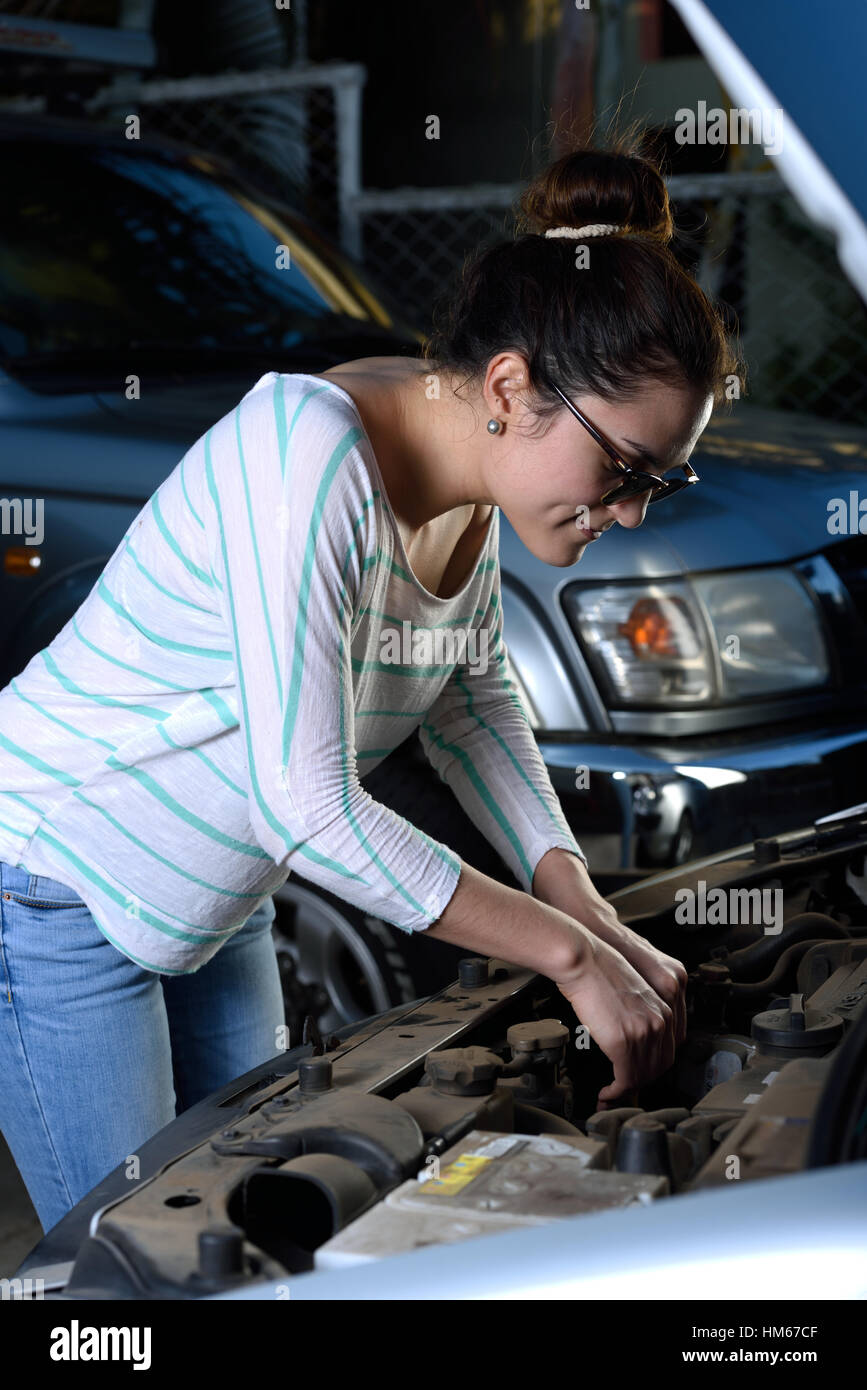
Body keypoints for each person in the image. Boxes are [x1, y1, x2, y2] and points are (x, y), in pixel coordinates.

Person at [0, 140, 741, 1235]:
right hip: (57, 882)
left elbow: (471, 702)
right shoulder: (305, 460)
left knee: (271, 1222)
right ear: (509, 385)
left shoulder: (473, 481)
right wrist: (568, 954)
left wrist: (576, 893)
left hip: (218, 896)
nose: (631, 510)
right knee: (138, 1256)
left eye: (659, 481)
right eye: (624, 469)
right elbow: (307, 802)